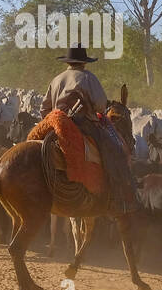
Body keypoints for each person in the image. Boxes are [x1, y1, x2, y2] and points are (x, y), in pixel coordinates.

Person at [40, 46, 138, 214]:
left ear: (68, 62)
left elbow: (44, 108)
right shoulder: (88, 78)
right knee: (113, 150)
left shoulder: (57, 79)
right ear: (84, 63)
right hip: (83, 125)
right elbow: (100, 105)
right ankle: (116, 199)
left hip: (56, 124)